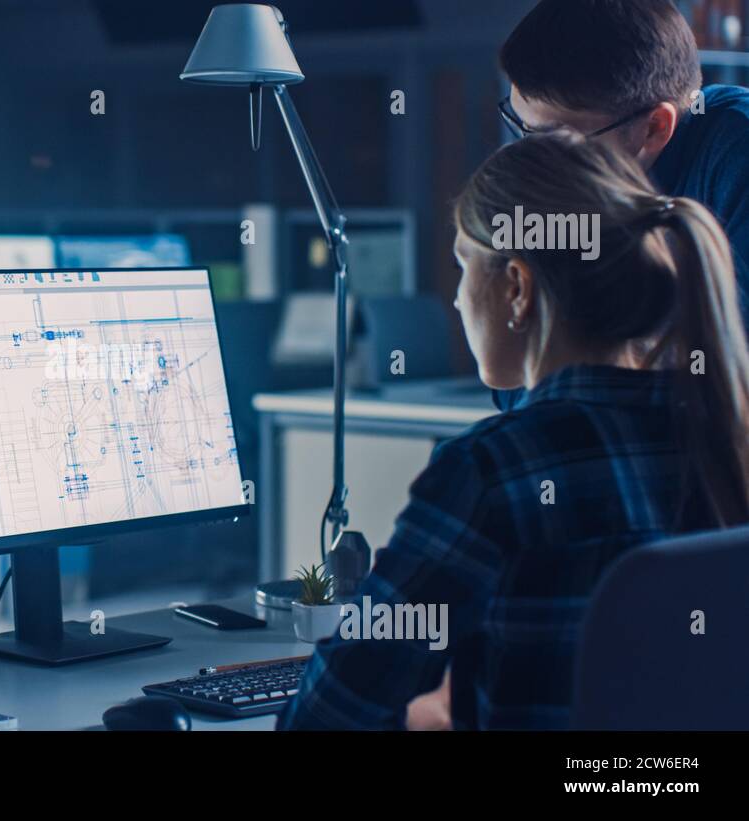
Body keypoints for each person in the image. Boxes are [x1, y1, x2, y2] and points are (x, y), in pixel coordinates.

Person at [277, 131, 749, 730]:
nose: (454, 299)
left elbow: (323, 720)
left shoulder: (492, 471)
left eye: (462, 266)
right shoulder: (722, 435)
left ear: (517, 287)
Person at [494, 0, 749, 411]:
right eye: (519, 126)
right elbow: (512, 379)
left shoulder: (737, 155)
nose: (534, 158)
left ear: (655, 128)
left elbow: (726, 368)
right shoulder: (560, 185)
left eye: (558, 138)